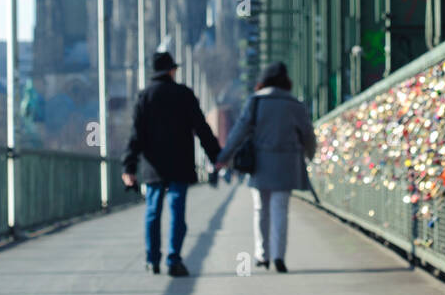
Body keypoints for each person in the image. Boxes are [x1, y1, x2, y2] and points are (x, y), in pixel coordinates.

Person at [122, 50, 222, 277]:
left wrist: (129, 167)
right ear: (171, 71)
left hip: (152, 165)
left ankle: (152, 259)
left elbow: (135, 135)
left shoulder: (144, 96)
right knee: (177, 211)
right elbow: (202, 129)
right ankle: (174, 259)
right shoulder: (184, 94)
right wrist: (216, 156)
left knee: (153, 211)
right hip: (179, 162)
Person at [214, 61, 316, 273]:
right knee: (280, 209)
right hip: (287, 163)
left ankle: (263, 254)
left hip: (260, 163)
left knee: (261, 209)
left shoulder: (256, 102)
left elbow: (239, 132)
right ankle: (279, 256)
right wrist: (310, 155)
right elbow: (308, 134)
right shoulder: (295, 105)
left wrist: (224, 157)